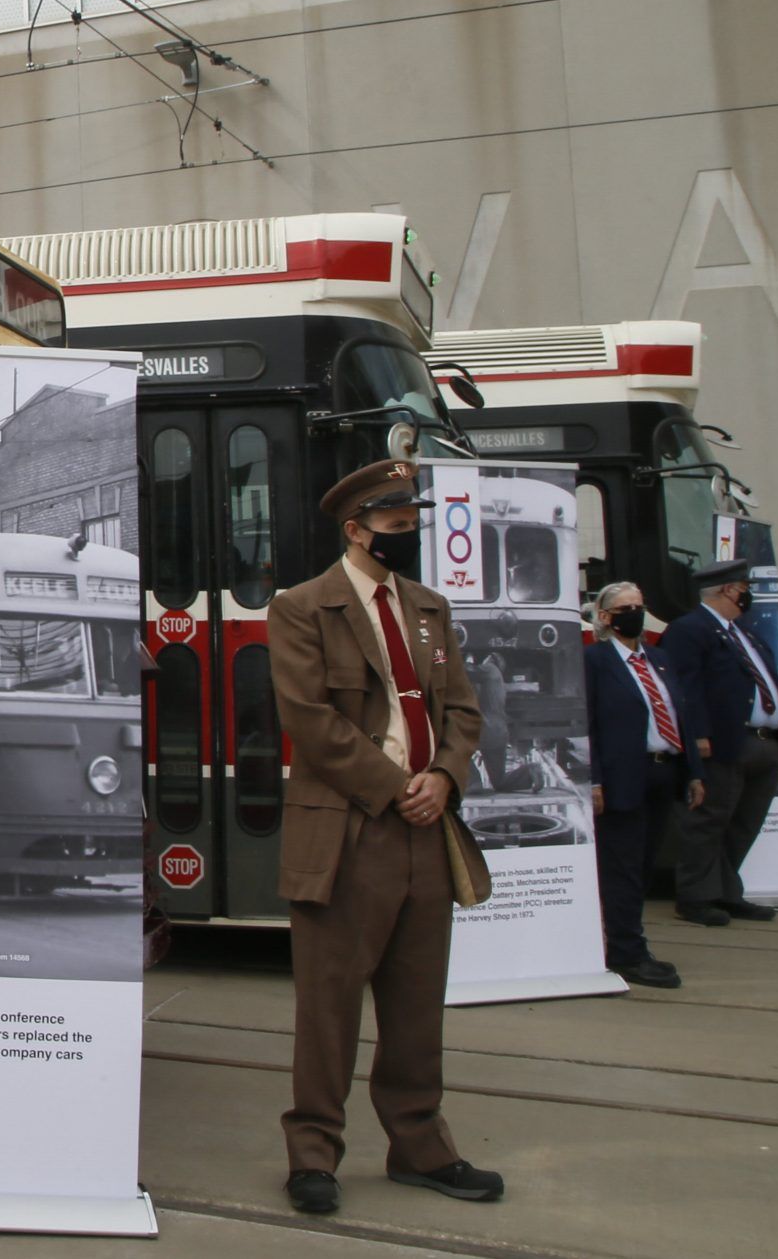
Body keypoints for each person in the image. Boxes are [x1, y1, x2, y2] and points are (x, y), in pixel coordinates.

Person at [272, 461, 502, 1218]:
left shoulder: (430, 610)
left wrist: (444, 776)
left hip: (426, 832)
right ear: (356, 530)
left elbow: (463, 711)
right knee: (329, 1008)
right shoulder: (304, 607)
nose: (409, 539)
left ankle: (420, 1146)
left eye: (412, 527)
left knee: (415, 1003)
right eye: (397, 528)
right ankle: (313, 1154)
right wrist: (394, 783)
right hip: (348, 830)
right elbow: (310, 719)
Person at [659, 560, 778, 925]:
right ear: (727, 590)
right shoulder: (690, 630)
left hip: (764, 744)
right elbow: (684, 688)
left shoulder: (744, 634)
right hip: (724, 744)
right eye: (742, 587)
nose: (745, 594)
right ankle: (695, 897)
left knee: (745, 822)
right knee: (708, 821)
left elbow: (772, 686)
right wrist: (698, 735)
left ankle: (726, 891)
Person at [581, 583, 705, 987]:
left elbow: (679, 715)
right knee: (623, 869)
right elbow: (588, 726)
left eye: (639, 605)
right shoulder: (594, 661)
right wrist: (594, 779)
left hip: (662, 771)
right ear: (604, 617)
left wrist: (693, 773)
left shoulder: (659, 659)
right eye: (624, 608)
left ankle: (632, 942)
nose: (634, 612)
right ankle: (626, 952)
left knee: (646, 865)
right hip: (621, 778)